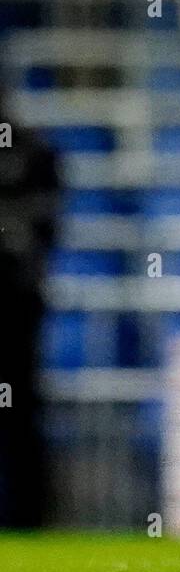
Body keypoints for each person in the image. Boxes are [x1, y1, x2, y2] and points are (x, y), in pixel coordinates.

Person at [0, 97, 59, 528]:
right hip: (21, 297)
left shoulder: (33, 148)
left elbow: (48, 223)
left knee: (22, 414)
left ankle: (30, 517)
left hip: (17, 303)